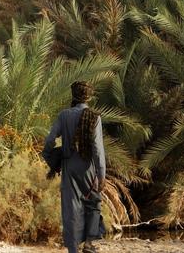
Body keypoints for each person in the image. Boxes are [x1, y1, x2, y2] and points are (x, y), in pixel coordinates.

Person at [44, 81, 106, 253]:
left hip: (68, 166)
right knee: (93, 203)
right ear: (89, 97)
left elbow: (49, 140)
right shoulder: (95, 117)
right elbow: (98, 150)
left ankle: (73, 248)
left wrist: (50, 157)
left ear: (73, 95)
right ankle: (89, 243)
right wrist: (101, 175)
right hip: (88, 168)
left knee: (71, 207)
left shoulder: (64, 115)